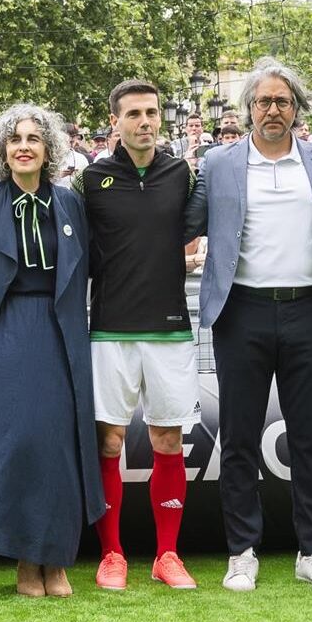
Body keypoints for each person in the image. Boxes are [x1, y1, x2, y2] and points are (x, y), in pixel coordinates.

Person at [185, 57, 312, 595]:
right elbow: (183, 225)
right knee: (238, 438)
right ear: (248, 110)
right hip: (241, 313)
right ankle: (242, 552)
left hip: (310, 311)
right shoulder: (217, 164)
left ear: (297, 108)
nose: (272, 109)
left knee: (311, 437)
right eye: (263, 101)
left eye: (282, 101)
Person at [0, 103, 101, 598]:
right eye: (15, 139)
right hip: (2, 332)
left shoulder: (69, 203)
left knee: (56, 443)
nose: (23, 146)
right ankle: (23, 560)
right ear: (2, 149)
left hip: (58, 330)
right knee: (14, 443)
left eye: (33, 139)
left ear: (48, 150)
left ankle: (56, 558)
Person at [72, 80, 198, 592]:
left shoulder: (182, 173)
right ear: (115, 122)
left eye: (151, 113)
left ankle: (167, 554)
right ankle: (112, 554)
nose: (145, 121)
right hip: (108, 330)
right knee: (109, 441)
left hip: (170, 330)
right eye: (134, 114)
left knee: (169, 438)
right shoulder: (91, 180)